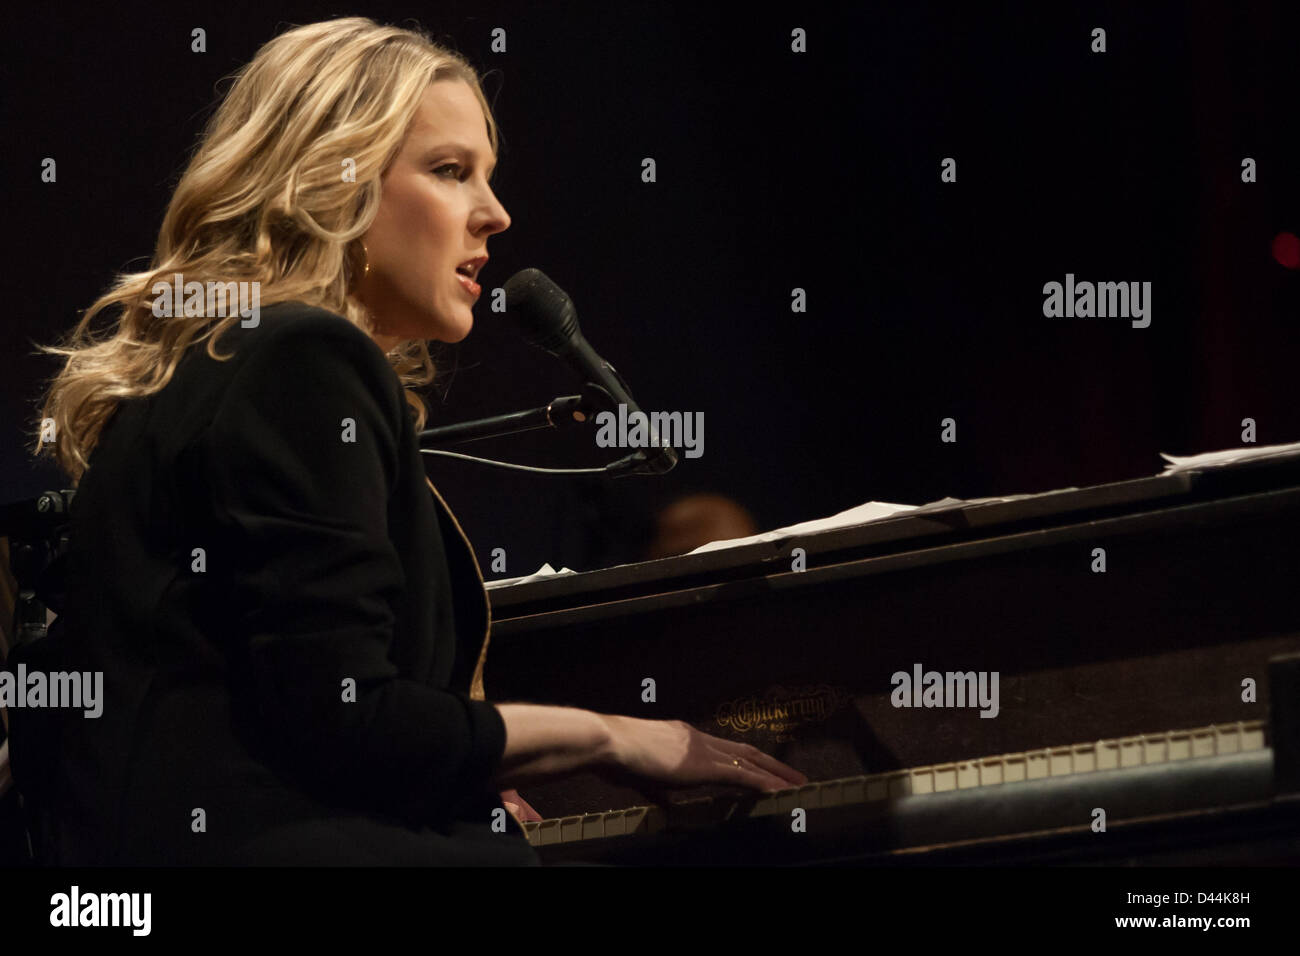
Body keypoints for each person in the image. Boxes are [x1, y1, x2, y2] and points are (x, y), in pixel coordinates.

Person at [13, 17, 804, 866]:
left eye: (486, 178)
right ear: (328, 182)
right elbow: (346, 715)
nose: (495, 215)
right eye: (450, 171)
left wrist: (466, 763)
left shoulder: (226, 359)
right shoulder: (303, 357)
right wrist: (612, 736)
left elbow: (282, 708)